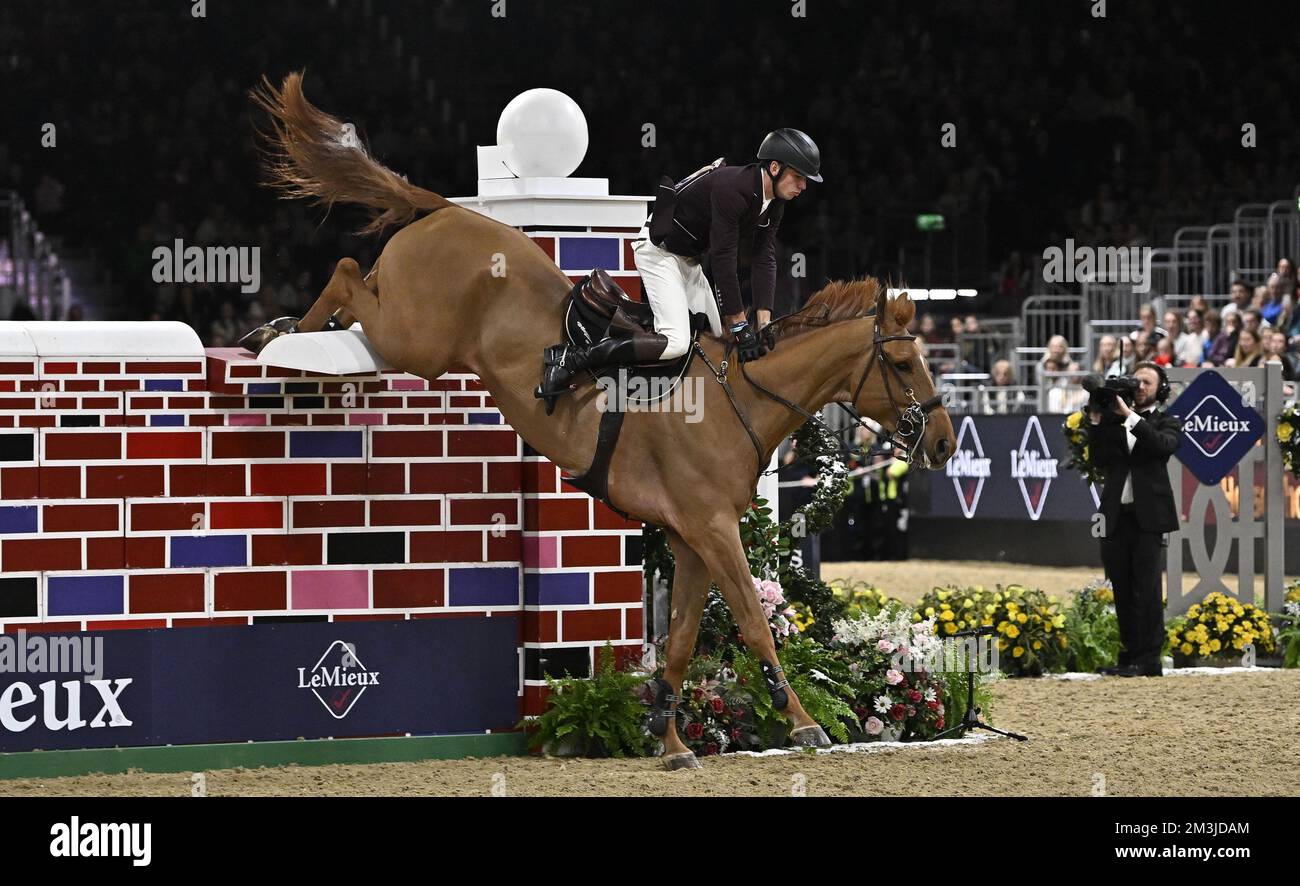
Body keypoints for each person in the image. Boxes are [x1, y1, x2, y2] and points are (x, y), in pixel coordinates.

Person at [535, 128, 820, 400]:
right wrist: (739, 325)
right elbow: (723, 259)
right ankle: (571, 359)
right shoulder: (734, 188)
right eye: (798, 177)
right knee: (676, 342)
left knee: (716, 339)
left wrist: (764, 322)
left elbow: (764, 256)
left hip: (688, 259)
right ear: (774, 167)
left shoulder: (774, 202)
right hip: (657, 253)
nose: (803, 186)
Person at [1087, 362, 1182, 677]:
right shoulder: (1113, 421)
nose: (1140, 387)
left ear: (1160, 389)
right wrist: (1097, 420)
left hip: (1149, 518)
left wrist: (1130, 416)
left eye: (1147, 382)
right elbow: (1098, 459)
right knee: (1122, 588)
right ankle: (1128, 656)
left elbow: (1161, 446)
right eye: (1136, 381)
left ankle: (1150, 659)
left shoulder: (1167, 421)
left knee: (1148, 588)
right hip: (1116, 515)